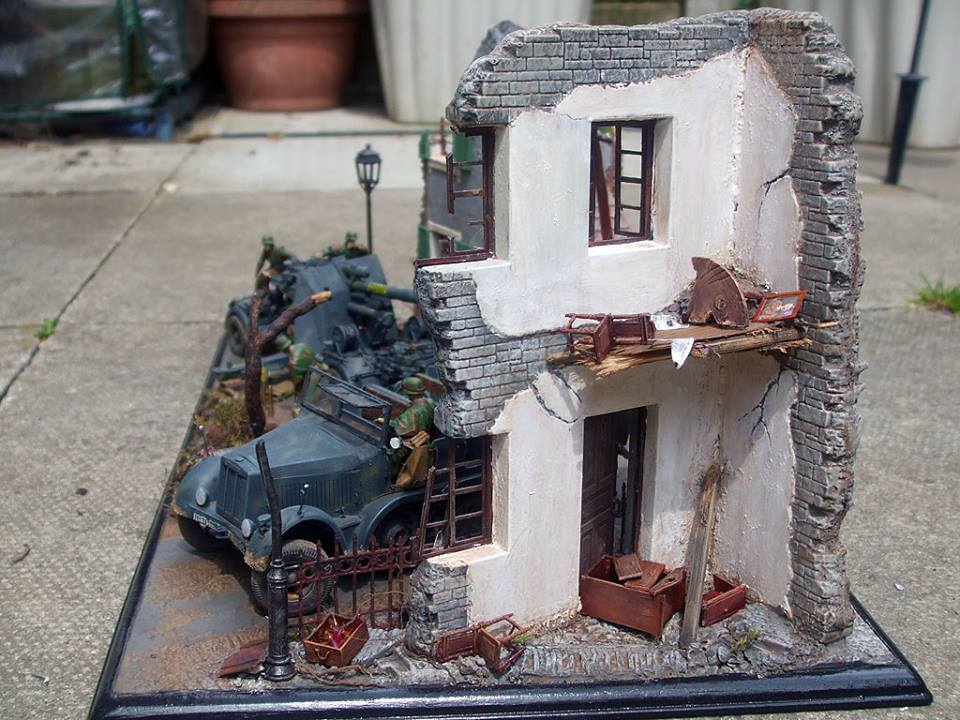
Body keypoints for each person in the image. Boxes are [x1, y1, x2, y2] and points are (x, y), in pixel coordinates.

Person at [390, 377, 436, 489]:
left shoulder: (414, 411)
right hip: (426, 437)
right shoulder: (430, 402)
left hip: (415, 442)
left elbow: (398, 427)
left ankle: (393, 479)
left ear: (409, 393)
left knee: (393, 457)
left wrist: (386, 422)